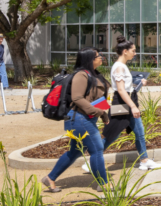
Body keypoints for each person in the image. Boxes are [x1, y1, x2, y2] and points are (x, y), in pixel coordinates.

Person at [83, 36, 161, 172]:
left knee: (139, 132)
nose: (135, 53)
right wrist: (132, 106)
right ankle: (91, 161)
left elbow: (125, 87)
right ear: (125, 51)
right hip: (122, 103)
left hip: (126, 100)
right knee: (113, 134)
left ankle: (144, 161)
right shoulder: (119, 67)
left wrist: (138, 83)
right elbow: (120, 90)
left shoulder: (121, 66)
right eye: (133, 50)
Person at [42, 48, 111, 192]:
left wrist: (104, 115)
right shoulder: (81, 75)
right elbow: (77, 98)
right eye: (98, 56)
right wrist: (100, 112)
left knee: (75, 152)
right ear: (89, 59)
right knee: (97, 150)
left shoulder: (95, 74)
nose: (101, 58)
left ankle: (50, 178)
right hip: (79, 119)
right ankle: (103, 184)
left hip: (86, 119)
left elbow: (96, 98)